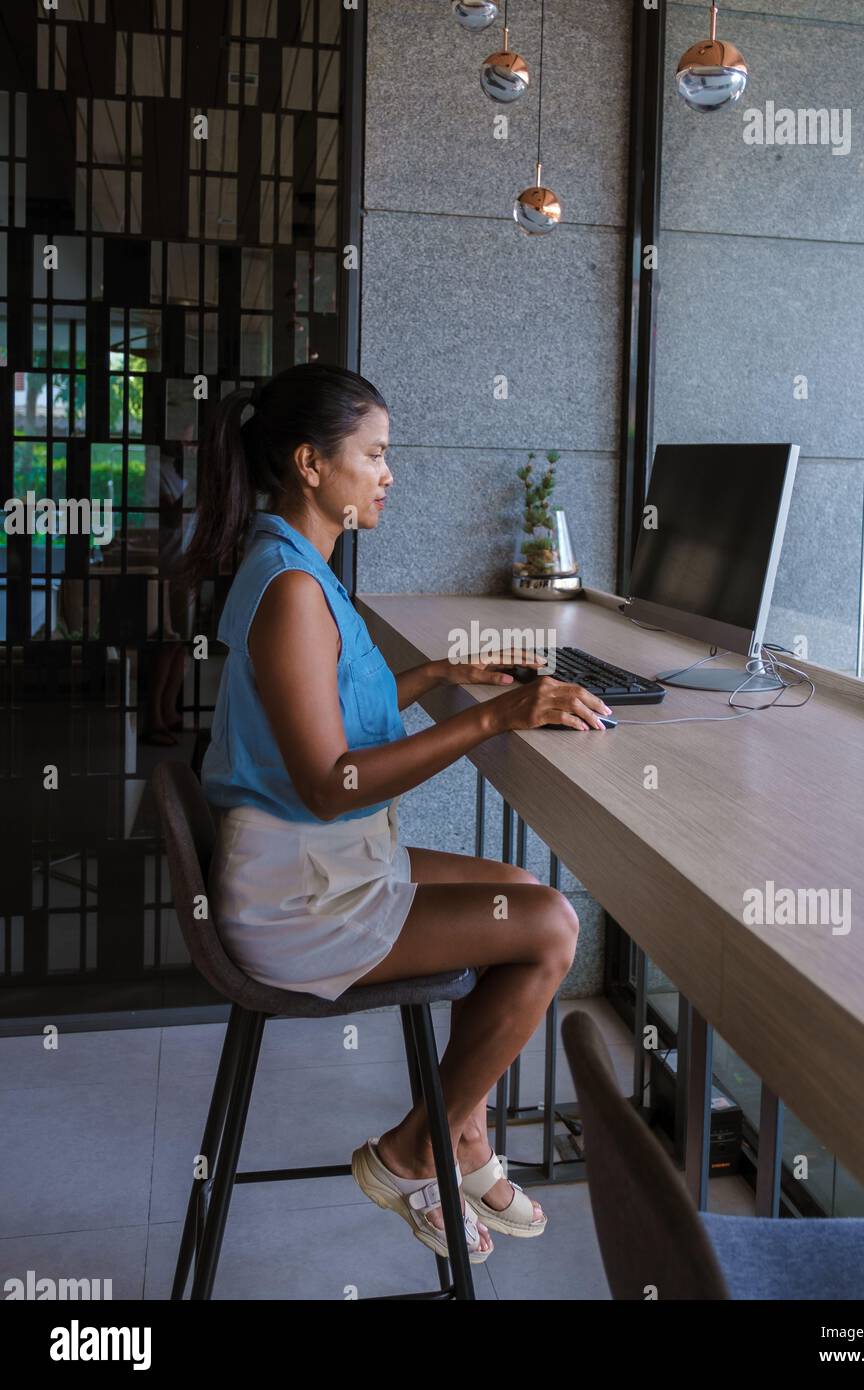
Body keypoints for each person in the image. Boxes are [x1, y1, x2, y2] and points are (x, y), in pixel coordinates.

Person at [175, 362, 612, 1264]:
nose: (388, 472)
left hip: (322, 861)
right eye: (374, 454)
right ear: (309, 463)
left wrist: (444, 677)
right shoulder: (293, 588)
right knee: (550, 928)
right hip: (299, 897)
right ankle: (415, 1151)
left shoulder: (297, 567)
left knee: (520, 894)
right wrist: (495, 716)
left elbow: (331, 705)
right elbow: (331, 778)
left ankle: (462, 1141)